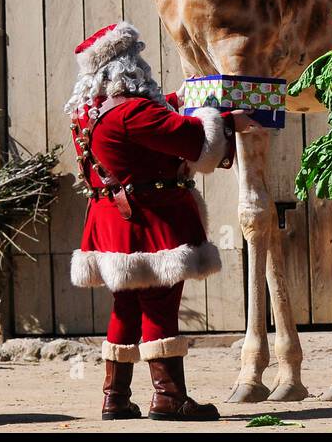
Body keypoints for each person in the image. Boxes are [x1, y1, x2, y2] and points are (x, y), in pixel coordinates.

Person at [65, 21, 255, 421]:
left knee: (126, 306)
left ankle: (115, 398)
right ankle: (169, 397)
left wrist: (181, 96)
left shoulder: (88, 111)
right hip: (149, 222)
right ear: (127, 67)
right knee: (159, 304)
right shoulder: (133, 113)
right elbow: (190, 140)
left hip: (113, 221)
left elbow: (151, 118)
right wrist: (224, 121)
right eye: (138, 59)